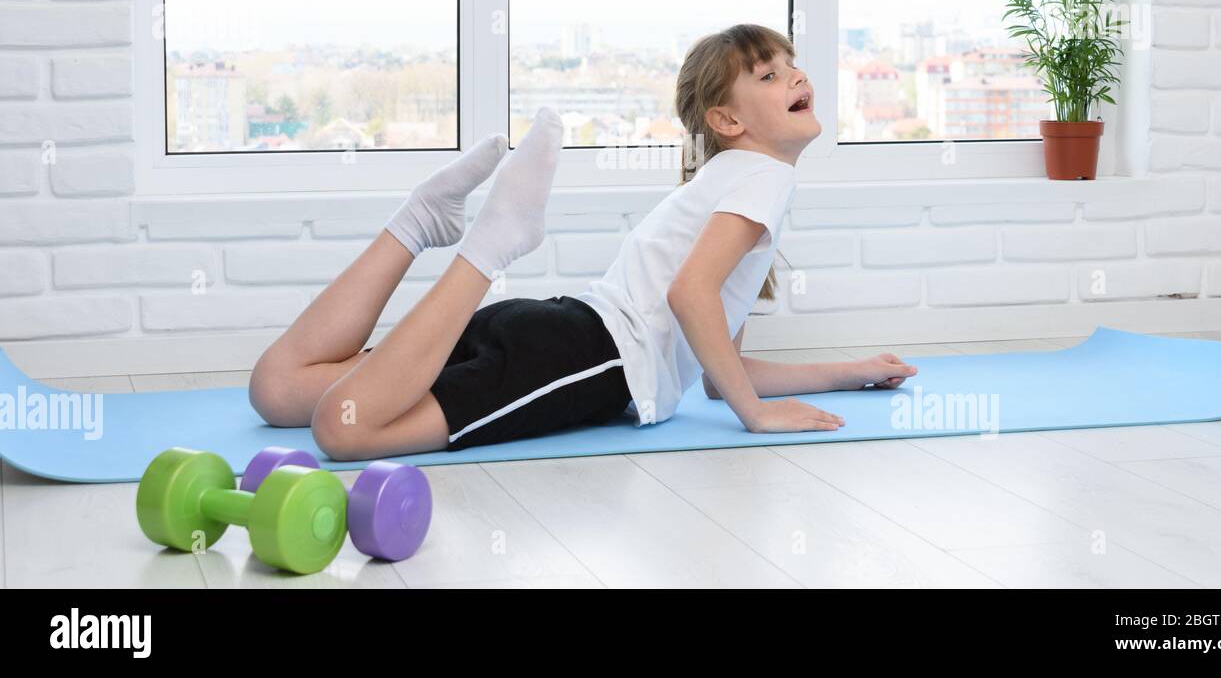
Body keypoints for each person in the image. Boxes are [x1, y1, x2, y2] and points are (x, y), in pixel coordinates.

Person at [249, 23, 917, 460]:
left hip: (553, 329)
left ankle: (420, 221)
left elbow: (719, 374)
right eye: (769, 76)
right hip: (587, 360)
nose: (796, 77)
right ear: (728, 120)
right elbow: (693, 298)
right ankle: (492, 242)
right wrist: (757, 419)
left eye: (791, 67)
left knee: (279, 390)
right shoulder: (764, 179)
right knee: (345, 428)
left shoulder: (728, 180)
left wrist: (849, 372)